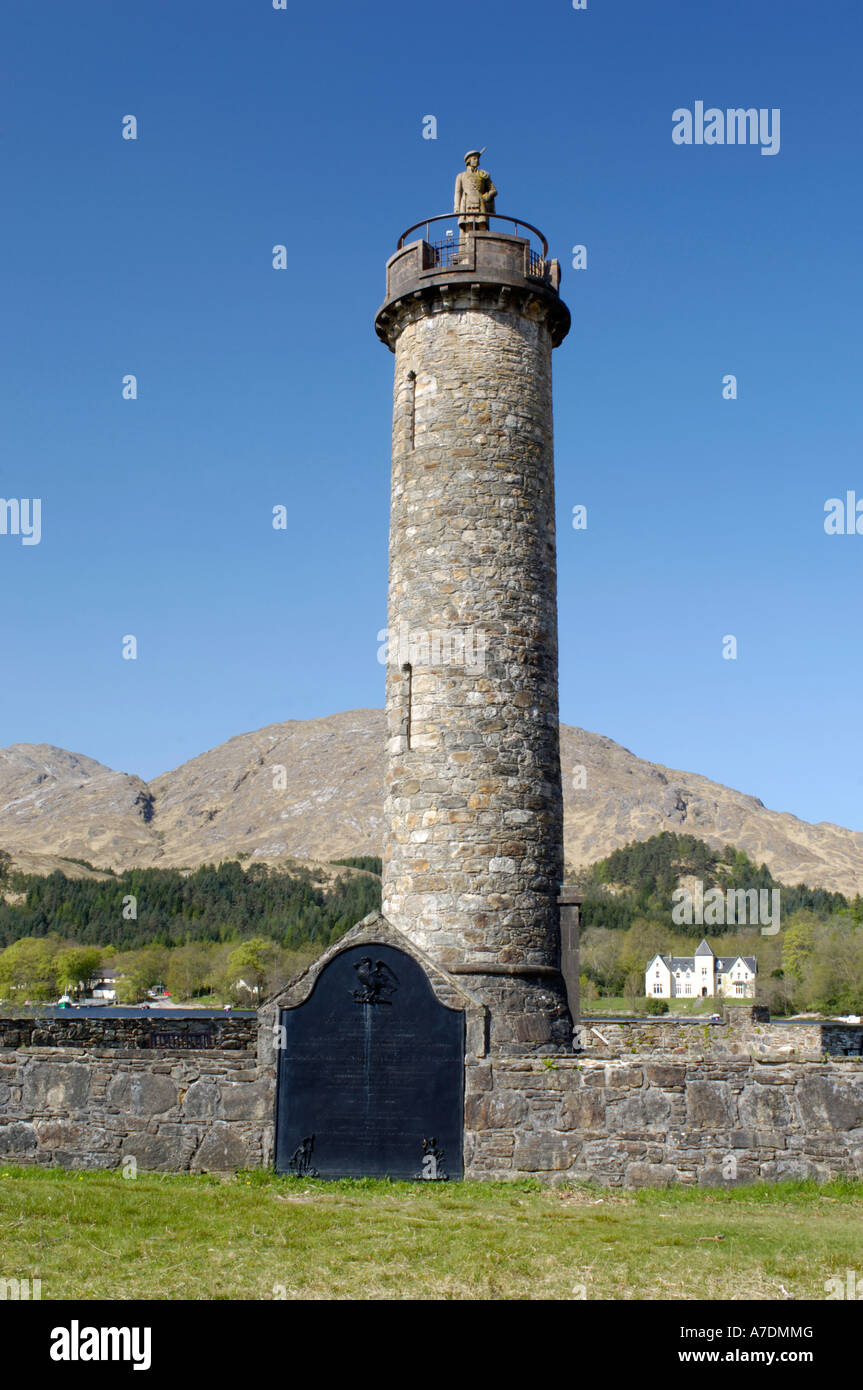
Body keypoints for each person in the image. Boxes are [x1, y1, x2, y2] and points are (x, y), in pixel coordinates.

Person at [453, 149, 497, 233]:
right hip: (466, 203)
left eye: (477, 159)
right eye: (474, 158)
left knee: (482, 224)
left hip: (480, 202)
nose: (477, 160)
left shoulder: (483, 175)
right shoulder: (461, 176)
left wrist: (487, 197)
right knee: (468, 225)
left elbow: (493, 190)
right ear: (468, 161)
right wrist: (456, 208)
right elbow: (458, 193)